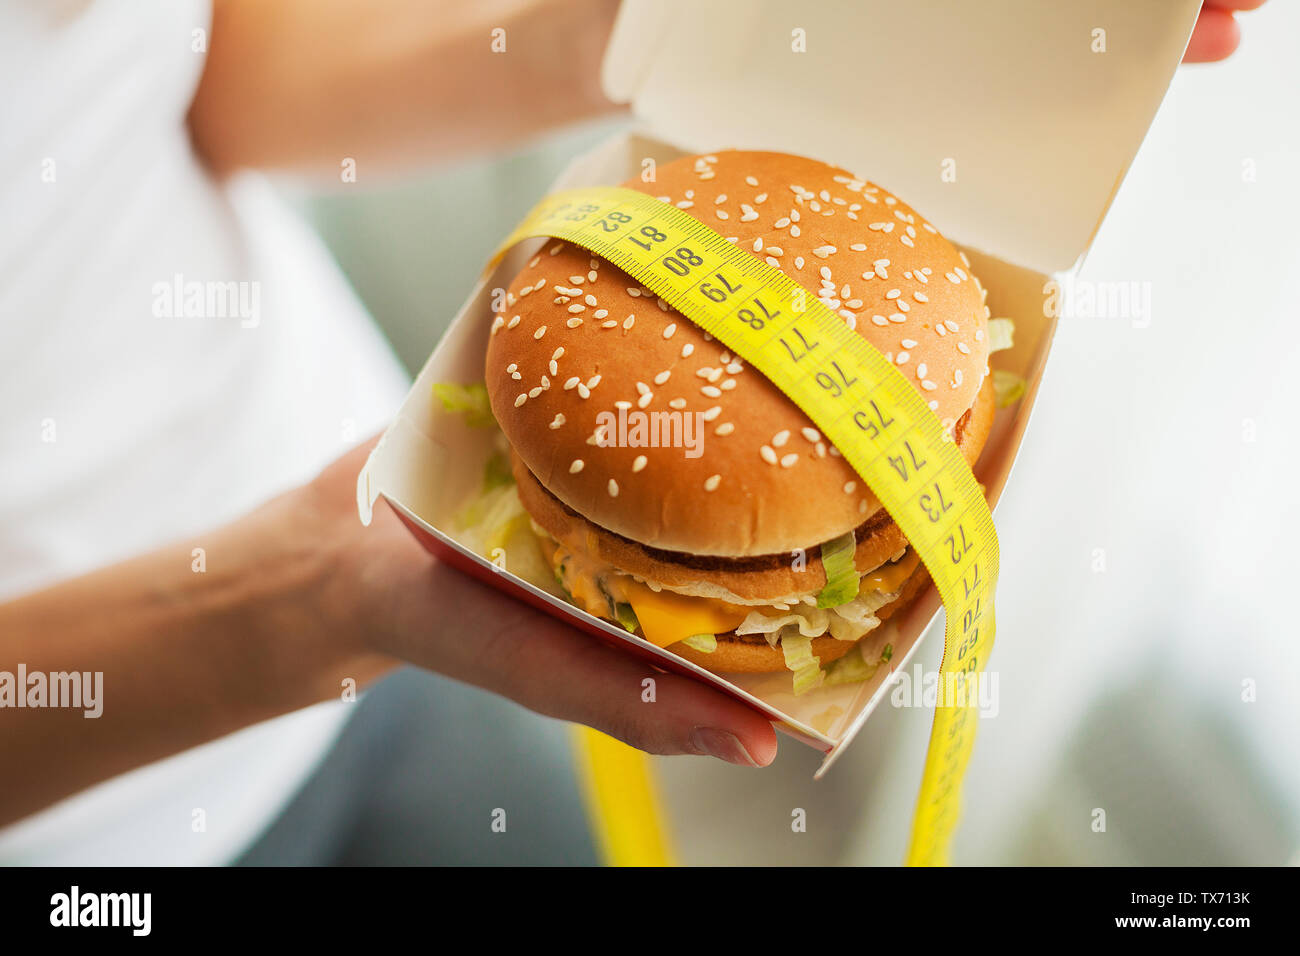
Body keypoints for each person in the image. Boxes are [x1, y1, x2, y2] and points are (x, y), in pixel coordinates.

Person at [0, 0, 1261, 864]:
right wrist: (309, 598)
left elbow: (216, 87)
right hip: (97, 803)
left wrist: (690, 18)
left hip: (375, 526)